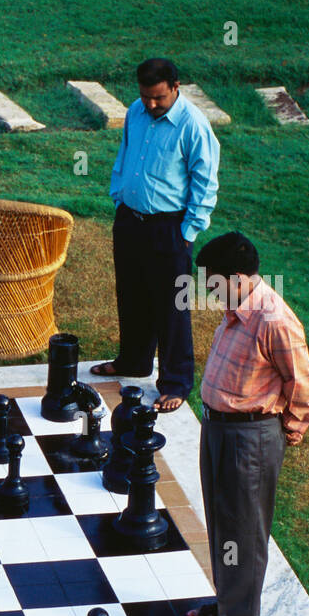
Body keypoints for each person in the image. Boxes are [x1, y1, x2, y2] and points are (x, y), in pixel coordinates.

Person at [187, 232, 309, 616]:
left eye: (214, 282)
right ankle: (229, 606)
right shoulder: (237, 308)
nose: (208, 290)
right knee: (224, 522)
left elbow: (302, 385)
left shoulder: (275, 319)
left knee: (243, 532)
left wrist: (288, 432)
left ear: (238, 278)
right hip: (221, 429)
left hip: (250, 439)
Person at [93, 58, 220, 414]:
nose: (150, 104)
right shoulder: (136, 111)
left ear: (176, 87)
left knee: (171, 306)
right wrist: (118, 194)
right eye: (145, 96)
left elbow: (206, 182)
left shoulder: (193, 124)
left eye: (158, 98)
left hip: (169, 228)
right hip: (130, 221)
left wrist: (188, 231)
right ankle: (134, 361)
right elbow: (124, 155)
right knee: (131, 293)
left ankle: (176, 381)